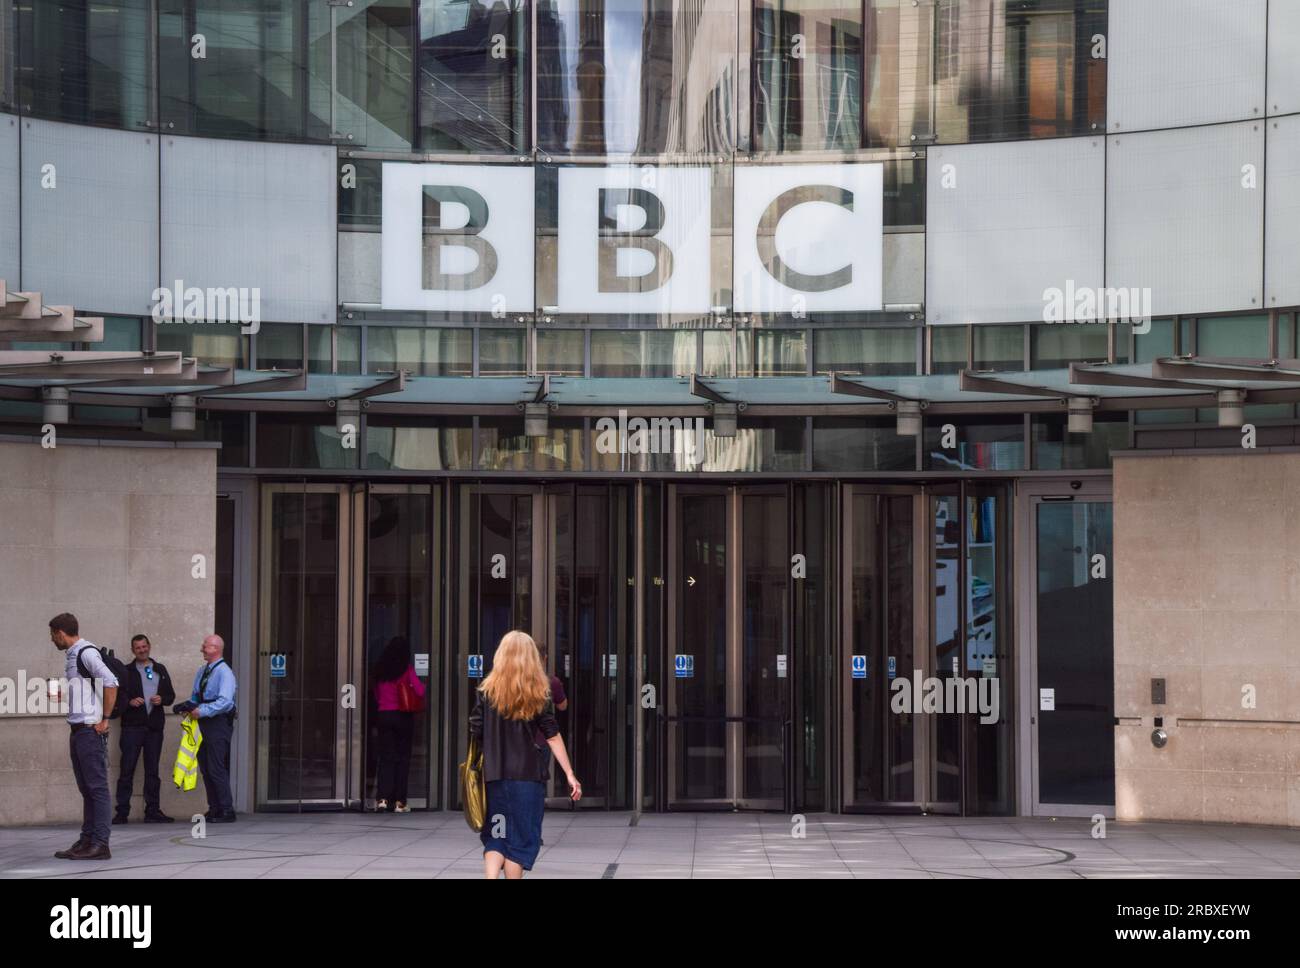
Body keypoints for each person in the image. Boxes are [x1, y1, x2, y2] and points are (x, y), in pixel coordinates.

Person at [468, 630, 581, 879]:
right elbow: (552, 735)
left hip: (494, 776)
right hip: (527, 777)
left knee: (496, 835)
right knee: (520, 841)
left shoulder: (486, 691)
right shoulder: (537, 691)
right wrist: (570, 774)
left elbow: (476, 728)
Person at [49, 613, 118, 861]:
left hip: (90, 731)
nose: (52, 640)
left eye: (52, 635)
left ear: (60, 632)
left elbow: (111, 682)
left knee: (97, 789)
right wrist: (64, 695)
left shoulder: (85, 652)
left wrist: (105, 719)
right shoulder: (73, 655)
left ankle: (100, 844)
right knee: (87, 789)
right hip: (78, 731)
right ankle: (87, 840)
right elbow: (87, 693)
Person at [114, 634, 176, 824]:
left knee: (152, 771)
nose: (142, 650)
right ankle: (122, 812)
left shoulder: (160, 669)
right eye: (138, 648)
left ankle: (153, 811)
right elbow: (116, 697)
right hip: (132, 727)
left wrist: (162, 700)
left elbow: (170, 696)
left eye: (144, 646)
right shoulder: (126, 671)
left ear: (149, 647)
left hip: (154, 728)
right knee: (126, 770)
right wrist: (129, 702)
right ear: (133, 650)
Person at [182, 634, 237, 823]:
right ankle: (214, 808)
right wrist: (187, 706)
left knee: (216, 767)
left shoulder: (224, 672)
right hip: (203, 722)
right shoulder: (203, 670)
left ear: (215, 648)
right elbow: (197, 694)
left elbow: (225, 702)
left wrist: (202, 711)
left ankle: (227, 809)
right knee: (205, 766)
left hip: (218, 722)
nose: (202, 649)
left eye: (205, 646)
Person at [372, 636, 425, 813]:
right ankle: (399, 802)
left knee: (386, 759)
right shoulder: (407, 669)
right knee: (402, 759)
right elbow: (420, 690)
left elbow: (377, 695)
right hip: (403, 717)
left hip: (384, 716)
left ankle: (382, 799)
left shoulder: (380, 670)